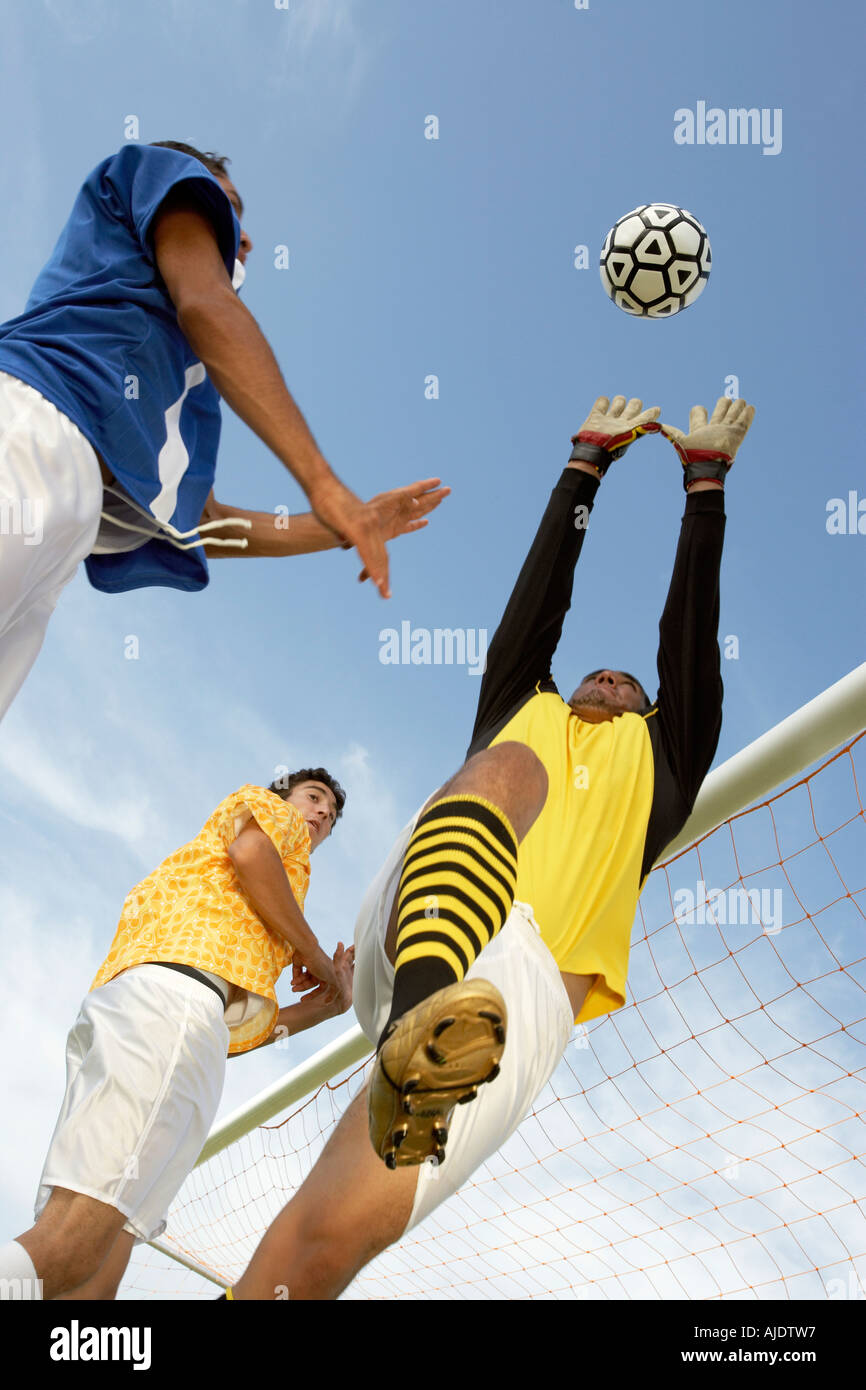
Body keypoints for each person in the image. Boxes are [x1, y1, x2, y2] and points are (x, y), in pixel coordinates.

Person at [222, 391, 755, 1299]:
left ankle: (416, 1066)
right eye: (599, 669)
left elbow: (689, 636)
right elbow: (538, 599)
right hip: (439, 915)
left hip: (522, 1001)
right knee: (508, 769)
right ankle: (418, 1021)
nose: (612, 678)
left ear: (652, 709)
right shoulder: (528, 709)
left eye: (629, 682)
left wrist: (703, 485)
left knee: (318, 1248)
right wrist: (585, 463)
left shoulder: (665, 761)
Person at [0, 139, 448, 722]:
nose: (246, 235)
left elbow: (207, 524)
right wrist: (322, 482)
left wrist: (348, 526)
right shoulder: (160, 175)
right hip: (26, 425)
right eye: (227, 204)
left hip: (66, 520)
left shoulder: (182, 385)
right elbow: (208, 304)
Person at [0, 768, 354, 1300]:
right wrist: (318, 961)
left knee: (93, 1274)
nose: (323, 813)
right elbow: (251, 854)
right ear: (285, 797)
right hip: (172, 1004)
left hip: (166, 1013)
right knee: (71, 1244)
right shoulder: (272, 821)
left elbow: (234, 1034)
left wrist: (327, 1007)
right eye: (315, 797)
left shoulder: (239, 919)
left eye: (331, 814)